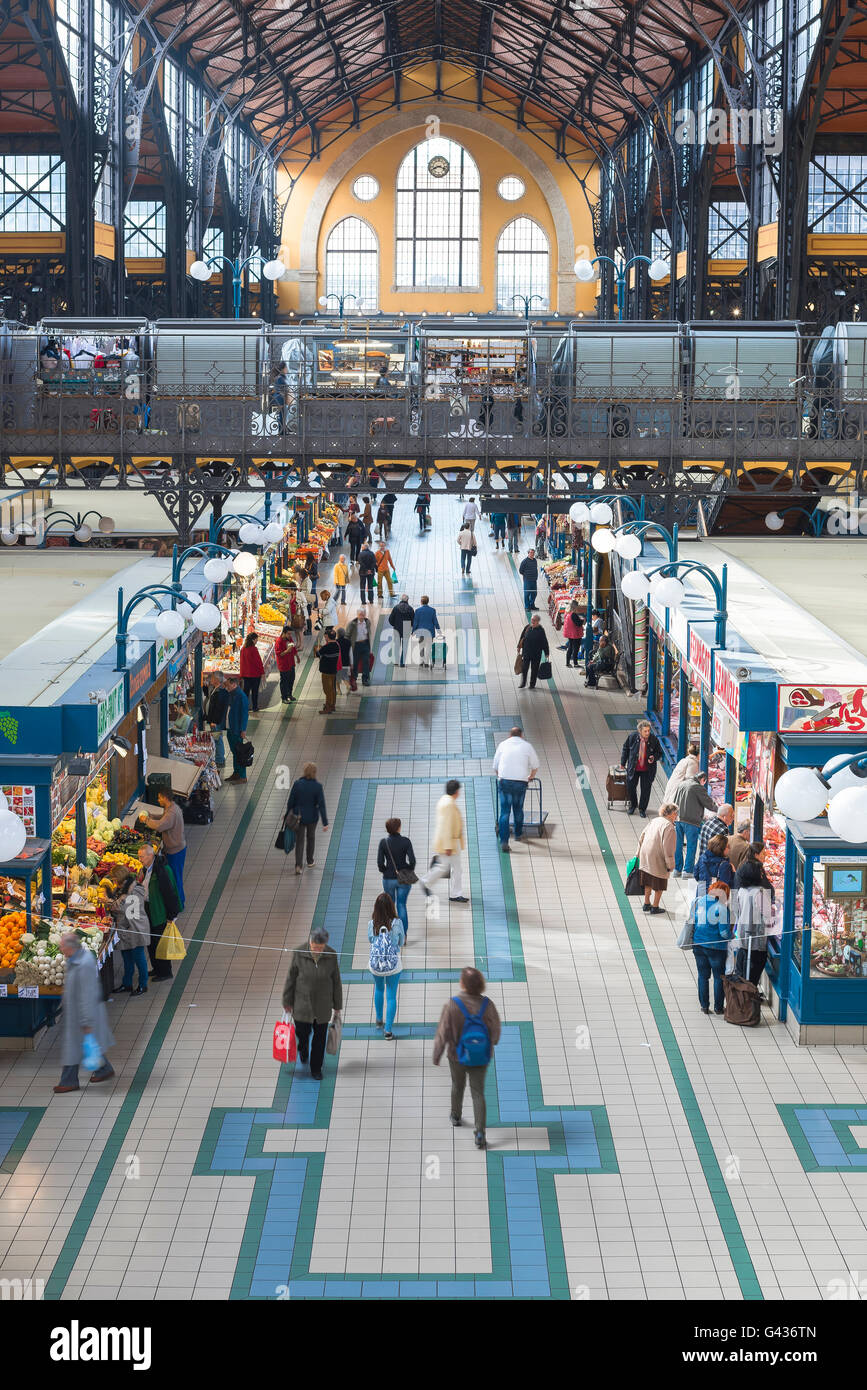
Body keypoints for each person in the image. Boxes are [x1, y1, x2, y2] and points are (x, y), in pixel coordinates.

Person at [432, 966, 501, 1150]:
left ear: (462, 984)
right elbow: (496, 1031)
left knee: (457, 1085)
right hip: (481, 1056)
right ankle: (480, 1133)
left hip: (457, 1055)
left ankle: (456, 1115)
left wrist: (437, 1054)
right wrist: (491, 1043)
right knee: (478, 1093)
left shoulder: (452, 1004)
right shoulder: (488, 1004)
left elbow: (442, 1032)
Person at [53, 932, 116, 1092]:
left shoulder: (84, 963)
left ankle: (69, 1081)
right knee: (84, 1046)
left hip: (84, 1014)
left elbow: (87, 994)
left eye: (62, 946)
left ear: (70, 947)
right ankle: (104, 1069)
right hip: (78, 1013)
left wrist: (86, 1022)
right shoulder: (76, 959)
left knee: (74, 1048)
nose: (60, 948)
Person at [282, 928, 342, 1081]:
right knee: (302, 1032)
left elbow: (336, 981)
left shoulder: (331, 956)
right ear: (310, 942)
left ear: (325, 945)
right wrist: (287, 1001)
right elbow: (291, 979)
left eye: (320, 948)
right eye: (314, 946)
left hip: (322, 1006)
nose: (316, 950)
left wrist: (337, 1004)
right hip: (302, 1005)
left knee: (320, 1038)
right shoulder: (299, 953)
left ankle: (316, 1068)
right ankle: (303, 1048)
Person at [419, 779, 468, 903]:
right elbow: (446, 826)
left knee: (457, 868)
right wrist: (448, 846)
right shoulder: (449, 804)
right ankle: (425, 881)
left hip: (452, 842)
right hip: (449, 843)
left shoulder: (446, 800)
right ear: (456, 791)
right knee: (442, 867)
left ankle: (456, 894)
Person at [734, 842, 775, 986]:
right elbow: (768, 915)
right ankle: (750, 994)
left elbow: (737, 910)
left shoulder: (742, 891)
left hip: (743, 937)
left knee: (742, 968)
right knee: (754, 970)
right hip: (756, 940)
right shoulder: (759, 893)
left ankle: (742, 992)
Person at [137, 842, 180, 982]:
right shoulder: (146, 869)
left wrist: (171, 915)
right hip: (149, 908)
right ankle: (156, 968)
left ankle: (165, 971)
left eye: (142, 857)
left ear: (150, 855)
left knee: (160, 942)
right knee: (151, 941)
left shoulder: (162, 870)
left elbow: (170, 893)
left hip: (159, 911)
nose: (140, 860)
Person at [691, 881, 734, 1016]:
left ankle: (704, 1006)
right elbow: (723, 933)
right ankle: (718, 1007)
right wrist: (732, 936)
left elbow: (693, 921)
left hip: (698, 944)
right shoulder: (721, 908)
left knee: (702, 976)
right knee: (718, 977)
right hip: (716, 948)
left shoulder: (699, 901)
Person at [492, 725, 539, 851]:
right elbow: (535, 765)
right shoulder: (527, 746)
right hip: (520, 783)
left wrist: (501, 776)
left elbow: (495, 766)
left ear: (510, 735)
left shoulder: (503, 745)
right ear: (521, 735)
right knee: (518, 809)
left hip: (505, 782)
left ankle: (504, 841)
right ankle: (518, 834)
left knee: (505, 812)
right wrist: (530, 777)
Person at [138, 788, 187, 908]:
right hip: (174, 848)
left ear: (165, 798)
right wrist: (151, 815)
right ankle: (179, 901)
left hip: (176, 851)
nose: (158, 799)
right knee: (174, 876)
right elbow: (162, 818)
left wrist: (146, 820)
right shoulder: (171, 808)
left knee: (176, 878)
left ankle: (179, 904)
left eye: (159, 797)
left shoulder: (172, 813)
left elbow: (160, 826)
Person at [368, 891, 405, 1040]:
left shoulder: (372, 923)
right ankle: (388, 1030)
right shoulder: (397, 923)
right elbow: (401, 942)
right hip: (393, 965)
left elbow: (371, 940)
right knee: (391, 996)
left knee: (378, 989)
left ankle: (378, 1019)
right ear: (391, 907)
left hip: (376, 964)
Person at [285, 761, 329, 874]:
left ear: (304, 772)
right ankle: (310, 861)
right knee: (311, 838)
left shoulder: (297, 784)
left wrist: (287, 814)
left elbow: (290, 801)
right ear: (315, 773)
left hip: (299, 817)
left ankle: (298, 866)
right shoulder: (317, 787)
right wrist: (325, 822)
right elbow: (321, 805)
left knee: (300, 841)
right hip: (312, 817)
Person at [376, 817, 416, 940]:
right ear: (398, 828)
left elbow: (380, 862)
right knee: (401, 905)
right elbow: (412, 860)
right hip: (403, 878)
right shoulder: (406, 841)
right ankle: (402, 936)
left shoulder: (384, 842)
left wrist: (385, 871)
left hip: (388, 878)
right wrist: (408, 869)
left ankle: (389, 932)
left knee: (390, 905)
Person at [110, 873, 150, 997]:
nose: (115, 883)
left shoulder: (136, 890)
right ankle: (126, 984)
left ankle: (143, 985)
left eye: (116, 880)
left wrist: (112, 903)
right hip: (125, 930)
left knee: (139, 957)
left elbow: (129, 911)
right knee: (126, 958)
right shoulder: (122, 890)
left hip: (135, 930)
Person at [671, 773, 717, 876]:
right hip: (691, 821)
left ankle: (677, 870)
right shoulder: (697, 787)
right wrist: (720, 810)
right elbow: (709, 803)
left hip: (678, 818)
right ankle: (687, 871)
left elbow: (675, 800)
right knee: (691, 846)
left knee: (678, 845)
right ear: (703, 780)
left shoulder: (682, 784)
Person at [637, 802, 678, 914]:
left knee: (647, 879)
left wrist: (638, 853)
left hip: (645, 853)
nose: (676, 816)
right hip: (657, 856)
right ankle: (655, 906)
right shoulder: (669, 827)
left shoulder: (654, 820)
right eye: (675, 814)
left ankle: (646, 904)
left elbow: (642, 836)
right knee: (660, 882)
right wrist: (670, 865)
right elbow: (668, 848)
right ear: (670, 814)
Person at [620, 719, 664, 818]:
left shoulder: (653, 740)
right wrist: (623, 763)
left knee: (645, 790)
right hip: (634, 768)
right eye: (645, 731)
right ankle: (633, 805)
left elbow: (659, 753)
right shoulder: (632, 737)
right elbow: (625, 748)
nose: (647, 733)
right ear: (640, 731)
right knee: (631, 787)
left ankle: (642, 809)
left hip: (647, 770)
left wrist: (654, 758)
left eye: (649, 731)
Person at [224, 676, 250, 783]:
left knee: (240, 753)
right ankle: (236, 773)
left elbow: (244, 714)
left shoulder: (241, 696)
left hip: (237, 730)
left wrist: (243, 730)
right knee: (235, 752)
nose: (227, 688)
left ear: (234, 685)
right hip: (230, 728)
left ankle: (242, 776)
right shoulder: (232, 694)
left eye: (228, 686)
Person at [517, 613, 549, 689]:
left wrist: (546, 653)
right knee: (524, 669)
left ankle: (532, 684)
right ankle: (523, 683)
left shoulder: (541, 630)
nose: (532, 621)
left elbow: (544, 642)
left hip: (536, 654)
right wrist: (519, 646)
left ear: (538, 621)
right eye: (531, 619)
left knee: (534, 669)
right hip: (526, 653)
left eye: (534, 620)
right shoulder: (527, 627)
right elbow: (522, 637)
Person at [203, 673, 229, 769]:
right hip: (213, 720)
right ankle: (219, 758)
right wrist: (205, 687)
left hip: (216, 721)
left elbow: (219, 709)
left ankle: (220, 760)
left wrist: (214, 721)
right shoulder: (215, 688)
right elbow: (209, 697)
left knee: (218, 739)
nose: (211, 679)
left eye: (213, 678)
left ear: (217, 680)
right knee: (216, 739)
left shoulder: (221, 692)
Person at [314, 627, 340, 714]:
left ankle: (328, 707)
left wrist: (318, 650)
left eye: (326, 636)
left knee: (327, 689)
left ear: (328, 637)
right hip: (333, 670)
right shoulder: (337, 645)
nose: (325, 638)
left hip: (326, 672)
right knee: (332, 688)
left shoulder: (327, 647)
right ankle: (332, 705)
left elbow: (318, 654)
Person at [412, 594, 440, 668]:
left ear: (421, 602)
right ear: (428, 602)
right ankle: (426, 662)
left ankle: (421, 662)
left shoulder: (417, 611)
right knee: (428, 647)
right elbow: (435, 621)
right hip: (430, 632)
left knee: (421, 647)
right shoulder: (432, 610)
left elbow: (415, 622)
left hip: (421, 632)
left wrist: (413, 631)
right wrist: (438, 630)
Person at [346, 609, 372, 688]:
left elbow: (368, 633)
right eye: (360, 614)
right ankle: (354, 678)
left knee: (366, 662)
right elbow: (347, 635)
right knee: (355, 663)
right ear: (357, 615)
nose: (362, 616)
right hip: (356, 646)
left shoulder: (367, 622)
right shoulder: (352, 624)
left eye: (363, 614)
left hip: (365, 644)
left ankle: (365, 679)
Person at [239, 632, 264, 712]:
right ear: (253, 640)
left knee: (246, 692)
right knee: (254, 691)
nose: (257, 641)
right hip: (255, 674)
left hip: (246, 675)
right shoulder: (254, 649)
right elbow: (258, 662)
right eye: (256, 639)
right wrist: (262, 672)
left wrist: (242, 674)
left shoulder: (243, 649)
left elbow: (242, 662)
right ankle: (255, 707)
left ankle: (244, 707)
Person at [388, 594, 414, 667]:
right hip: (406, 628)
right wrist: (411, 627)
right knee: (405, 646)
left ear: (401, 600)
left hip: (397, 628)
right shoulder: (410, 608)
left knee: (396, 645)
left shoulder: (396, 608)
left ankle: (396, 661)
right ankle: (402, 662)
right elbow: (413, 620)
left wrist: (394, 624)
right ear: (407, 600)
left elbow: (390, 619)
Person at [275, 625, 298, 704]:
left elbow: (293, 648)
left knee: (291, 679)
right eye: (288, 634)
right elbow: (279, 654)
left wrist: (297, 656)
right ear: (283, 633)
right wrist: (287, 651)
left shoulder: (289, 639)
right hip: (284, 665)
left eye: (290, 634)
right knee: (284, 681)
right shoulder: (279, 641)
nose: (290, 635)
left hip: (291, 663)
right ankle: (284, 697)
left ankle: (289, 695)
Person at [335, 627, 352, 697]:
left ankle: (339, 690)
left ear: (337, 634)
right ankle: (348, 686)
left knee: (337, 677)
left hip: (338, 662)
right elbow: (351, 652)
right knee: (344, 676)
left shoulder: (336, 642)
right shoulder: (348, 642)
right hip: (347, 662)